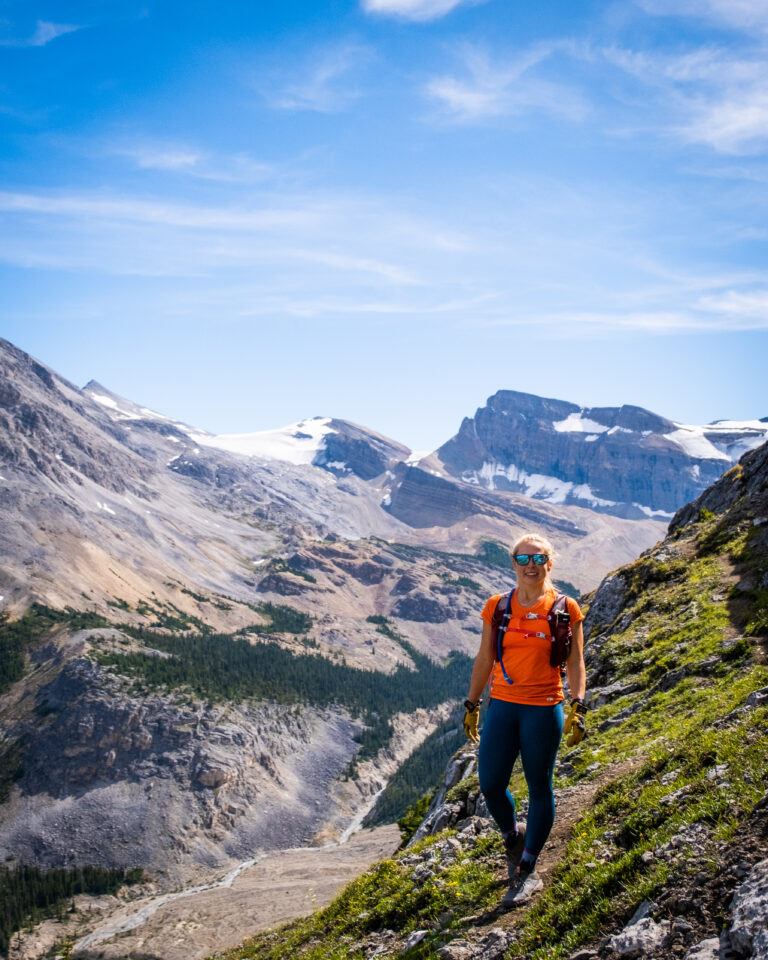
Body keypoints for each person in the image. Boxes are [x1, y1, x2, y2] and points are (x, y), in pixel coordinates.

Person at [463, 533, 586, 907]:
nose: (531, 565)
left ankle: (527, 868)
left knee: (539, 786)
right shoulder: (498, 606)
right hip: (502, 705)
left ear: (550, 563)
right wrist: (472, 704)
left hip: (544, 707)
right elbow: (485, 658)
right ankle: (512, 838)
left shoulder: (565, 608)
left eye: (539, 558)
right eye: (523, 559)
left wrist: (578, 705)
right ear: (513, 564)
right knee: (491, 784)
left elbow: (575, 661)